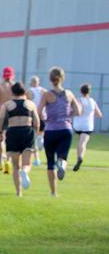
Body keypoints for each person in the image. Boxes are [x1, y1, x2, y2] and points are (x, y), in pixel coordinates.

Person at [38, 67, 81, 195]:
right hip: (65, 129)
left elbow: (39, 112)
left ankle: (53, 192)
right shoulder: (69, 94)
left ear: (50, 79)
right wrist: (68, 115)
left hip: (51, 130)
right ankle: (62, 164)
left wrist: (46, 119)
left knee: (50, 162)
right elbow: (78, 111)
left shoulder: (47, 95)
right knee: (62, 156)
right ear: (62, 78)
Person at [0, 81, 40, 196]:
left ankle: (19, 192)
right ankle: (25, 171)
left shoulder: (7, 105)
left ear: (12, 92)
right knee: (27, 163)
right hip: (27, 132)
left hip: (13, 132)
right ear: (24, 91)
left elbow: (1, 118)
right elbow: (37, 122)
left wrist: (0, 132)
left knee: (16, 166)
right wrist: (35, 134)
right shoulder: (31, 104)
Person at [0, 67, 17, 172]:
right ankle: (8, 160)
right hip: (12, 114)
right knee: (10, 139)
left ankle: (0, 161)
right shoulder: (14, 86)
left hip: (1, 114)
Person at [72, 84, 102, 171]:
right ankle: (80, 157)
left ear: (81, 91)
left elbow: (77, 111)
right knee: (83, 143)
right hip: (87, 126)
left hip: (78, 125)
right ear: (89, 91)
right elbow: (99, 115)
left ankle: (79, 158)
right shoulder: (92, 101)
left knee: (80, 143)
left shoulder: (79, 100)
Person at [27, 75, 47, 166]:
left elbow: (27, 104)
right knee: (40, 135)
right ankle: (42, 140)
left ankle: (37, 159)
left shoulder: (29, 91)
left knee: (33, 139)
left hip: (33, 116)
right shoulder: (43, 91)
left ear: (31, 82)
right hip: (43, 116)